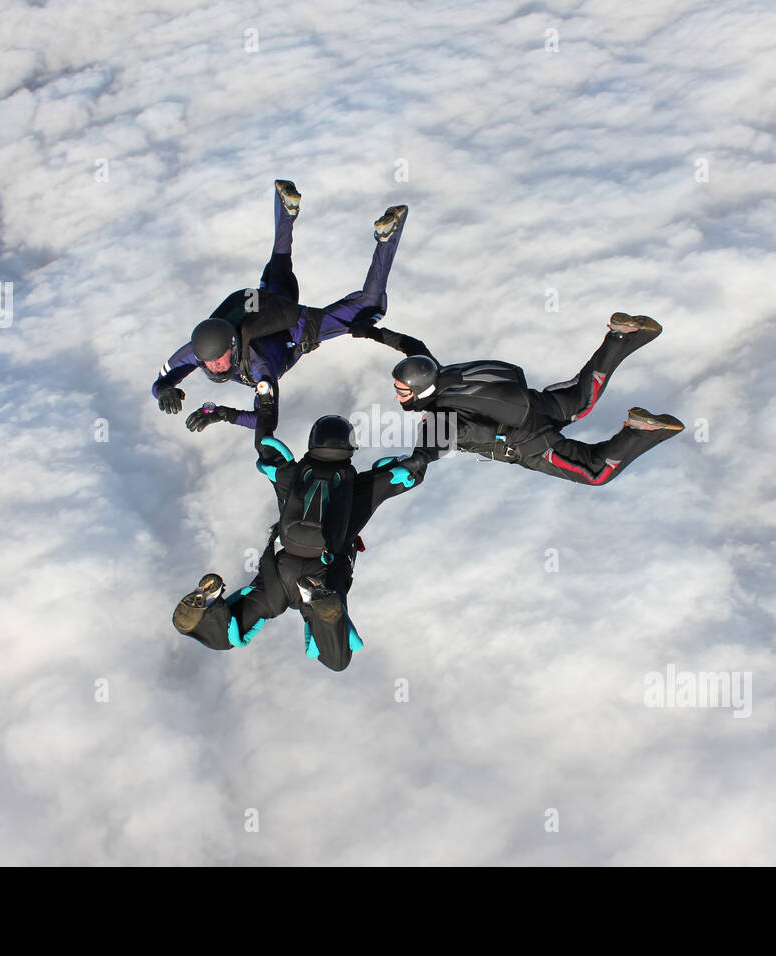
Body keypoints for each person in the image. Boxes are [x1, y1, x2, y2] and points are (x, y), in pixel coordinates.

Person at [171, 384, 423, 672]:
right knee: (337, 658)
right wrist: (432, 440)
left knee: (229, 632)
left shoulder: (291, 473)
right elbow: (412, 474)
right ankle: (316, 599)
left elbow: (264, 446)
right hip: (323, 572)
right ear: (350, 447)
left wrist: (258, 402)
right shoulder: (361, 487)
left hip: (279, 570)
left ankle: (209, 604)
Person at [152, 179, 408, 433]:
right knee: (279, 267)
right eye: (209, 363)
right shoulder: (198, 351)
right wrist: (165, 390)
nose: (216, 366)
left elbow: (265, 422)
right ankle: (286, 210)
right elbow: (160, 381)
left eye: (219, 359)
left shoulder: (259, 367)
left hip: (295, 326)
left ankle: (387, 239)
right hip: (260, 303)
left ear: (232, 345)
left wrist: (223, 414)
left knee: (370, 307)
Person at [353, 311, 683, 485]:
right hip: (535, 402)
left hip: (531, 444)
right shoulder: (435, 371)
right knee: (582, 398)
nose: (398, 394)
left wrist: (407, 467)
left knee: (596, 472)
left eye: (403, 390)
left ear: (421, 390)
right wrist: (370, 332)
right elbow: (412, 345)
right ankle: (622, 336)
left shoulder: (438, 418)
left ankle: (641, 430)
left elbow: (426, 450)